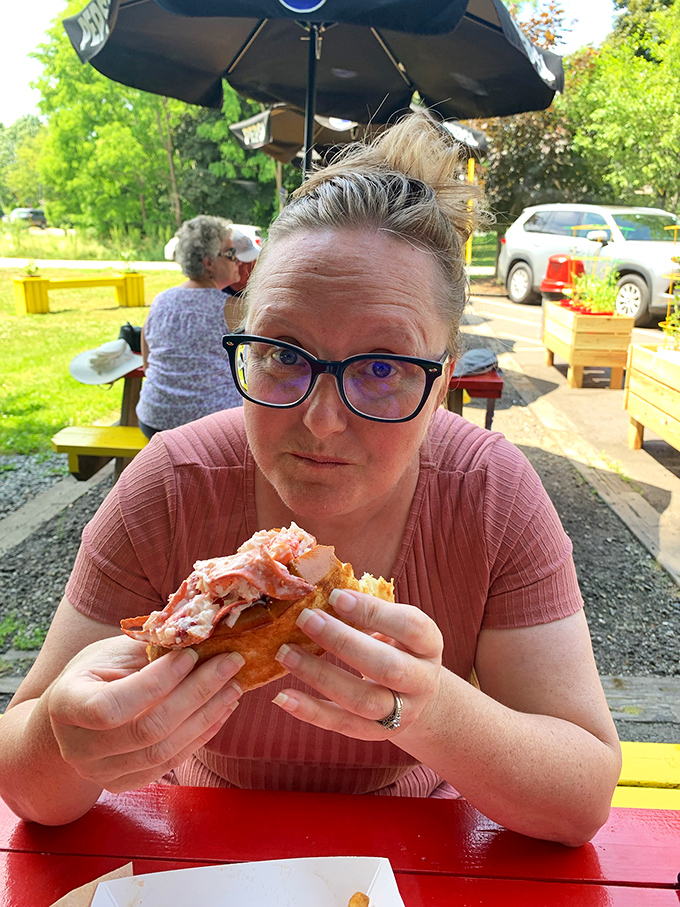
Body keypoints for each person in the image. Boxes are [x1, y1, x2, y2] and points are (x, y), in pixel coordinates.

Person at [0, 112, 621, 844]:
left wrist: (432, 710)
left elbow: (581, 799)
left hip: (415, 855)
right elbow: (26, 784)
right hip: (197, 849)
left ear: (444, 379)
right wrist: (65, 736)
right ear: (243, 343)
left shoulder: (489, 494)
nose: (322, 420)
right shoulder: (169, 484)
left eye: (383, 367)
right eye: (284, 354)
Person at [135, 216, 260, 439]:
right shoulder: (233, 308)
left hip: (153, 421)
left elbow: (147, 363)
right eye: (231, 254)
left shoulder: (161, 300)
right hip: (212, 429)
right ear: (208, 262)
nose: (238, 262)